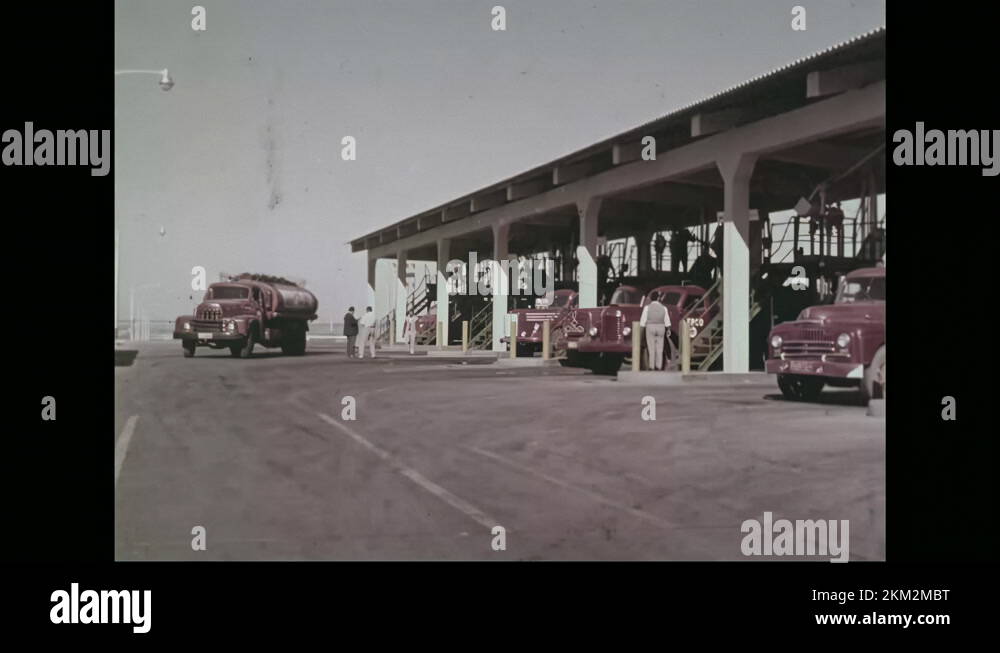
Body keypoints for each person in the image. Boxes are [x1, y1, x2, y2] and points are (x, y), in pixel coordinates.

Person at [639, 290, 671, 371]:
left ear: (651, 299)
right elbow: (667, 321)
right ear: (658, 298)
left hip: (650, 327)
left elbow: (642, 322)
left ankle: (651, 366)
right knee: (660, 348)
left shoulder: (647, 308)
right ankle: (658, 366)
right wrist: (668, 329)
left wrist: (641, 331)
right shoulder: (664, 308)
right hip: (661, 327)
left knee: (651, 348)